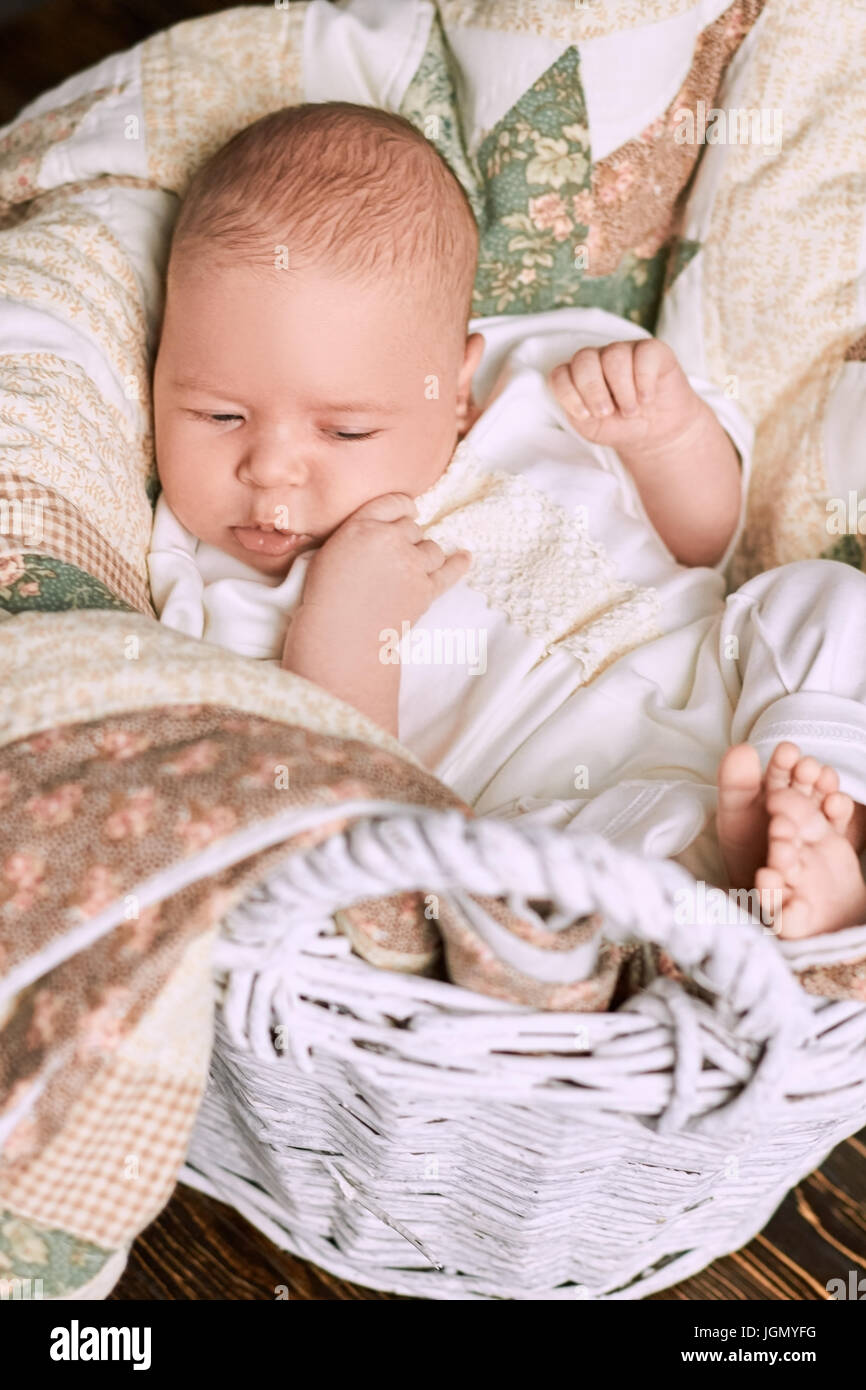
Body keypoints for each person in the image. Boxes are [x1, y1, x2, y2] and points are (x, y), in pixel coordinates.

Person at [148, 101, 866, 942]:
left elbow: (706, 541)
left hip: (717, 691)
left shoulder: (538, 390)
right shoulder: (218, 584)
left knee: (823, 600)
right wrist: (340, 644)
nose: (269, 469)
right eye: (216, 415)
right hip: (566, 821)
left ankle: (830, 808)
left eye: (344, 430)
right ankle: (757, 898)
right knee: (528, 909)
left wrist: (664, 437)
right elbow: (323, 797)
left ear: (454, 387)